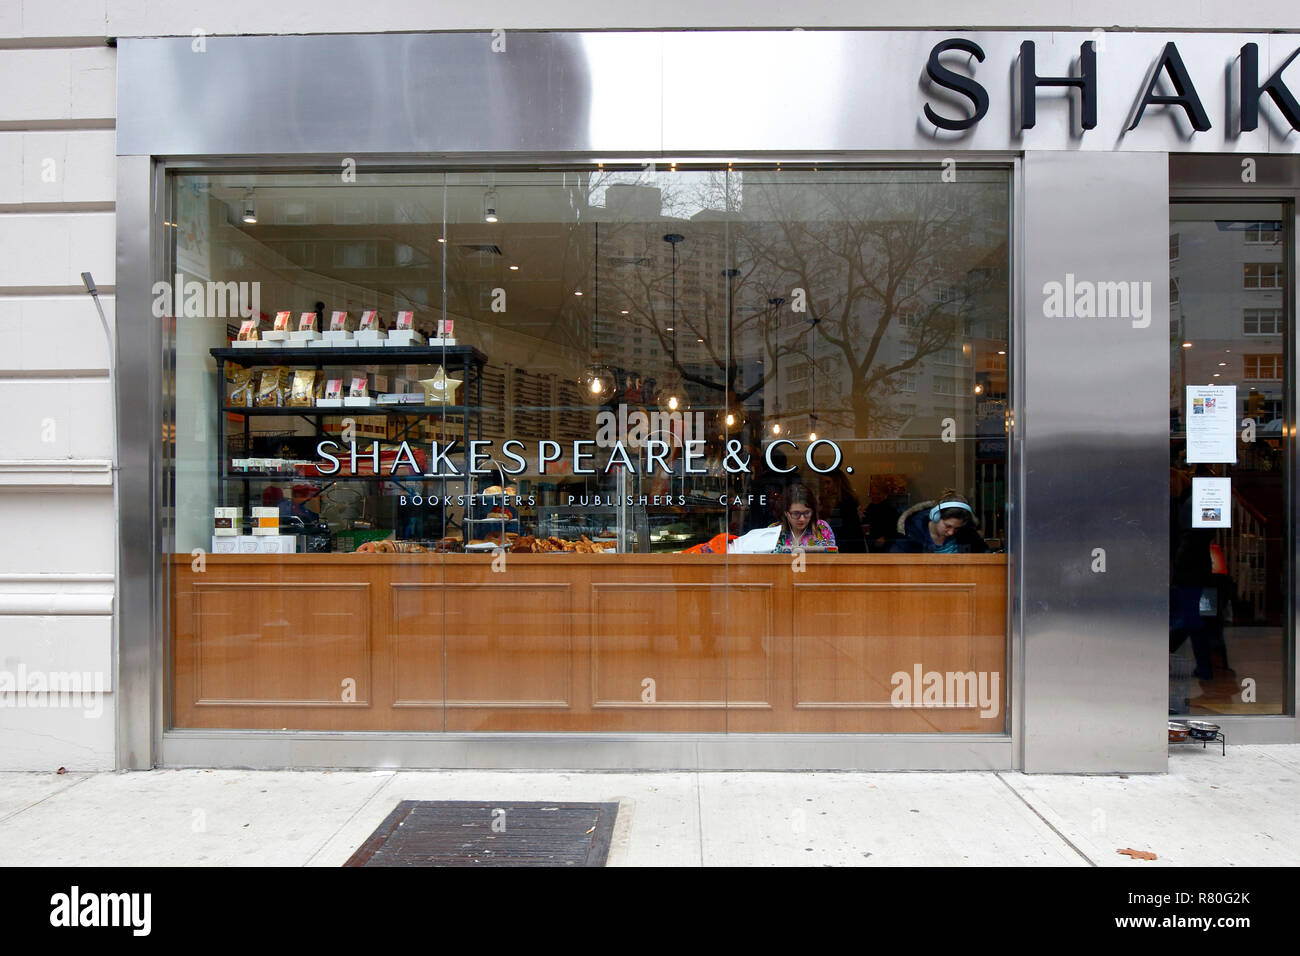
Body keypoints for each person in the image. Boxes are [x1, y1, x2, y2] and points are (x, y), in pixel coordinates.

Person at [890, 489, 988, 553]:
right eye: (947, 526)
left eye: (956, 528)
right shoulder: (910, 534)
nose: (951, 532)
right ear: (935, 516)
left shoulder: (967, 534)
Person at [771, 483, 837, 552]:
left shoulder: (822, 528)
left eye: (806, 513)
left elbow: (832, 559)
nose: (802, 518)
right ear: (785, 513)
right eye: (796, 514)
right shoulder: (773, 531)